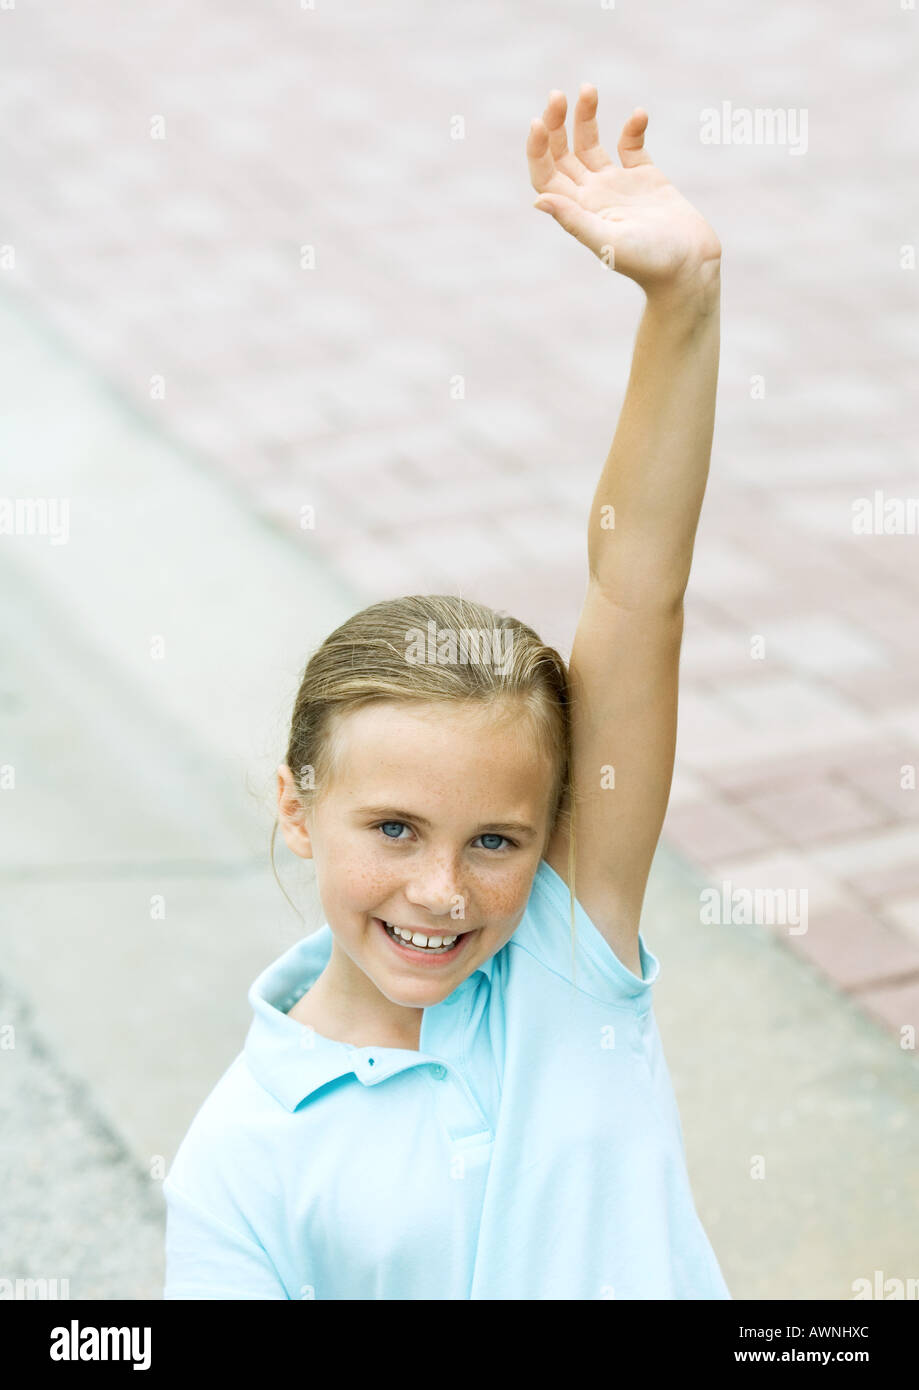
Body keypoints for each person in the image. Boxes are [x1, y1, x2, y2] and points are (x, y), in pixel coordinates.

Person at [163, 84, 729, 1300]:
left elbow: (636, 595)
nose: (442, 890)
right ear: (298, 804)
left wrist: (681, 302)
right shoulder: (239, 1165)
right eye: (395, 828)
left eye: (497, 839)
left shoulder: (563, 955)